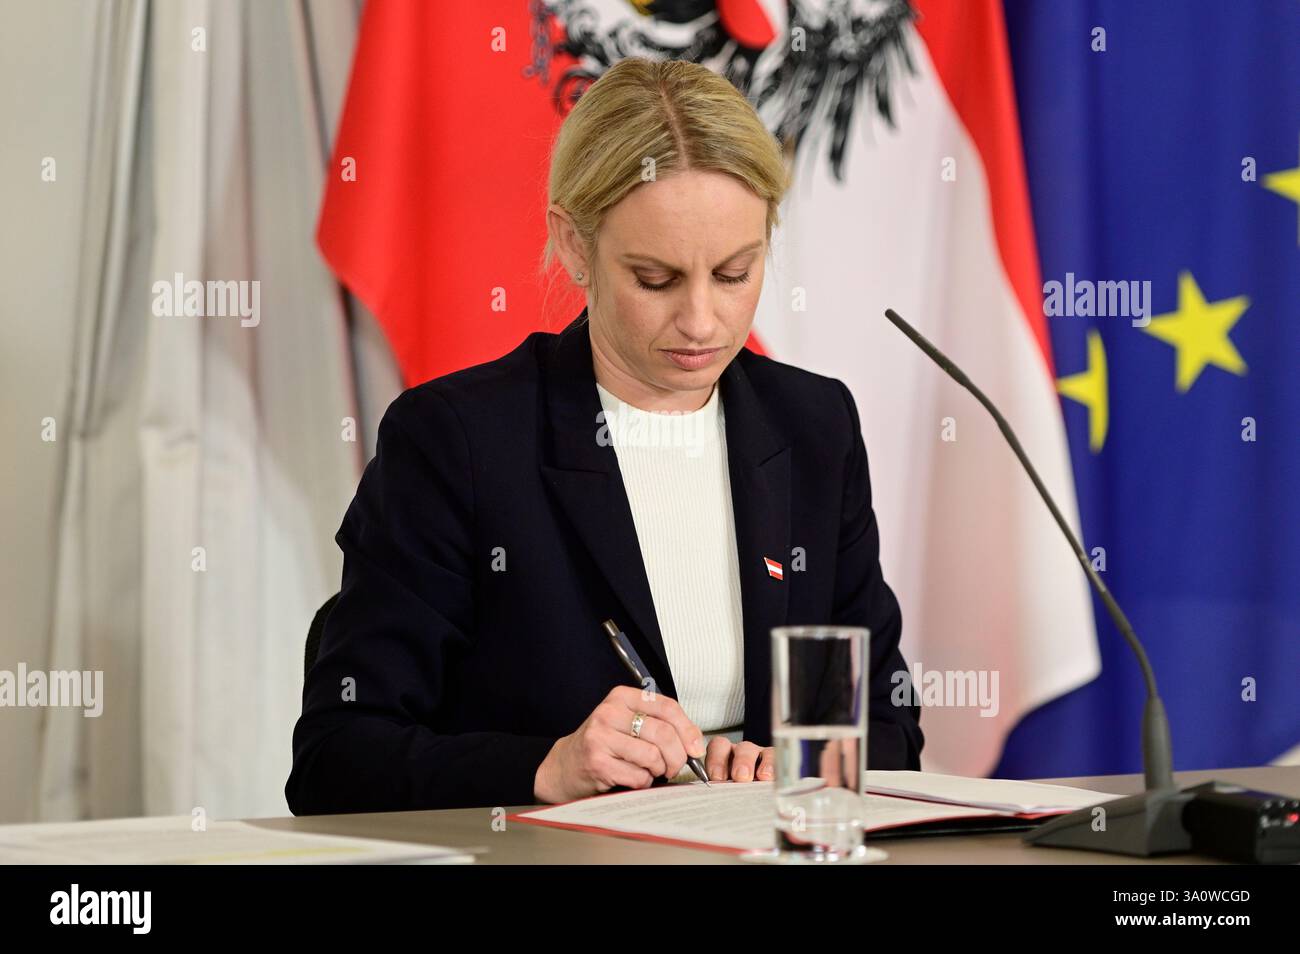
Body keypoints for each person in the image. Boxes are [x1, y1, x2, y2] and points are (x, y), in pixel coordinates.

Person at [286, 57, 922, 815]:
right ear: (574, 245)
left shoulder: (814, 427)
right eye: (655, 279)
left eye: (733, 273)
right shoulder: (457, 439)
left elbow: (888, 730)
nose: (701, 321)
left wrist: (790, 762)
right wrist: (545, 768)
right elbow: (336, 759)